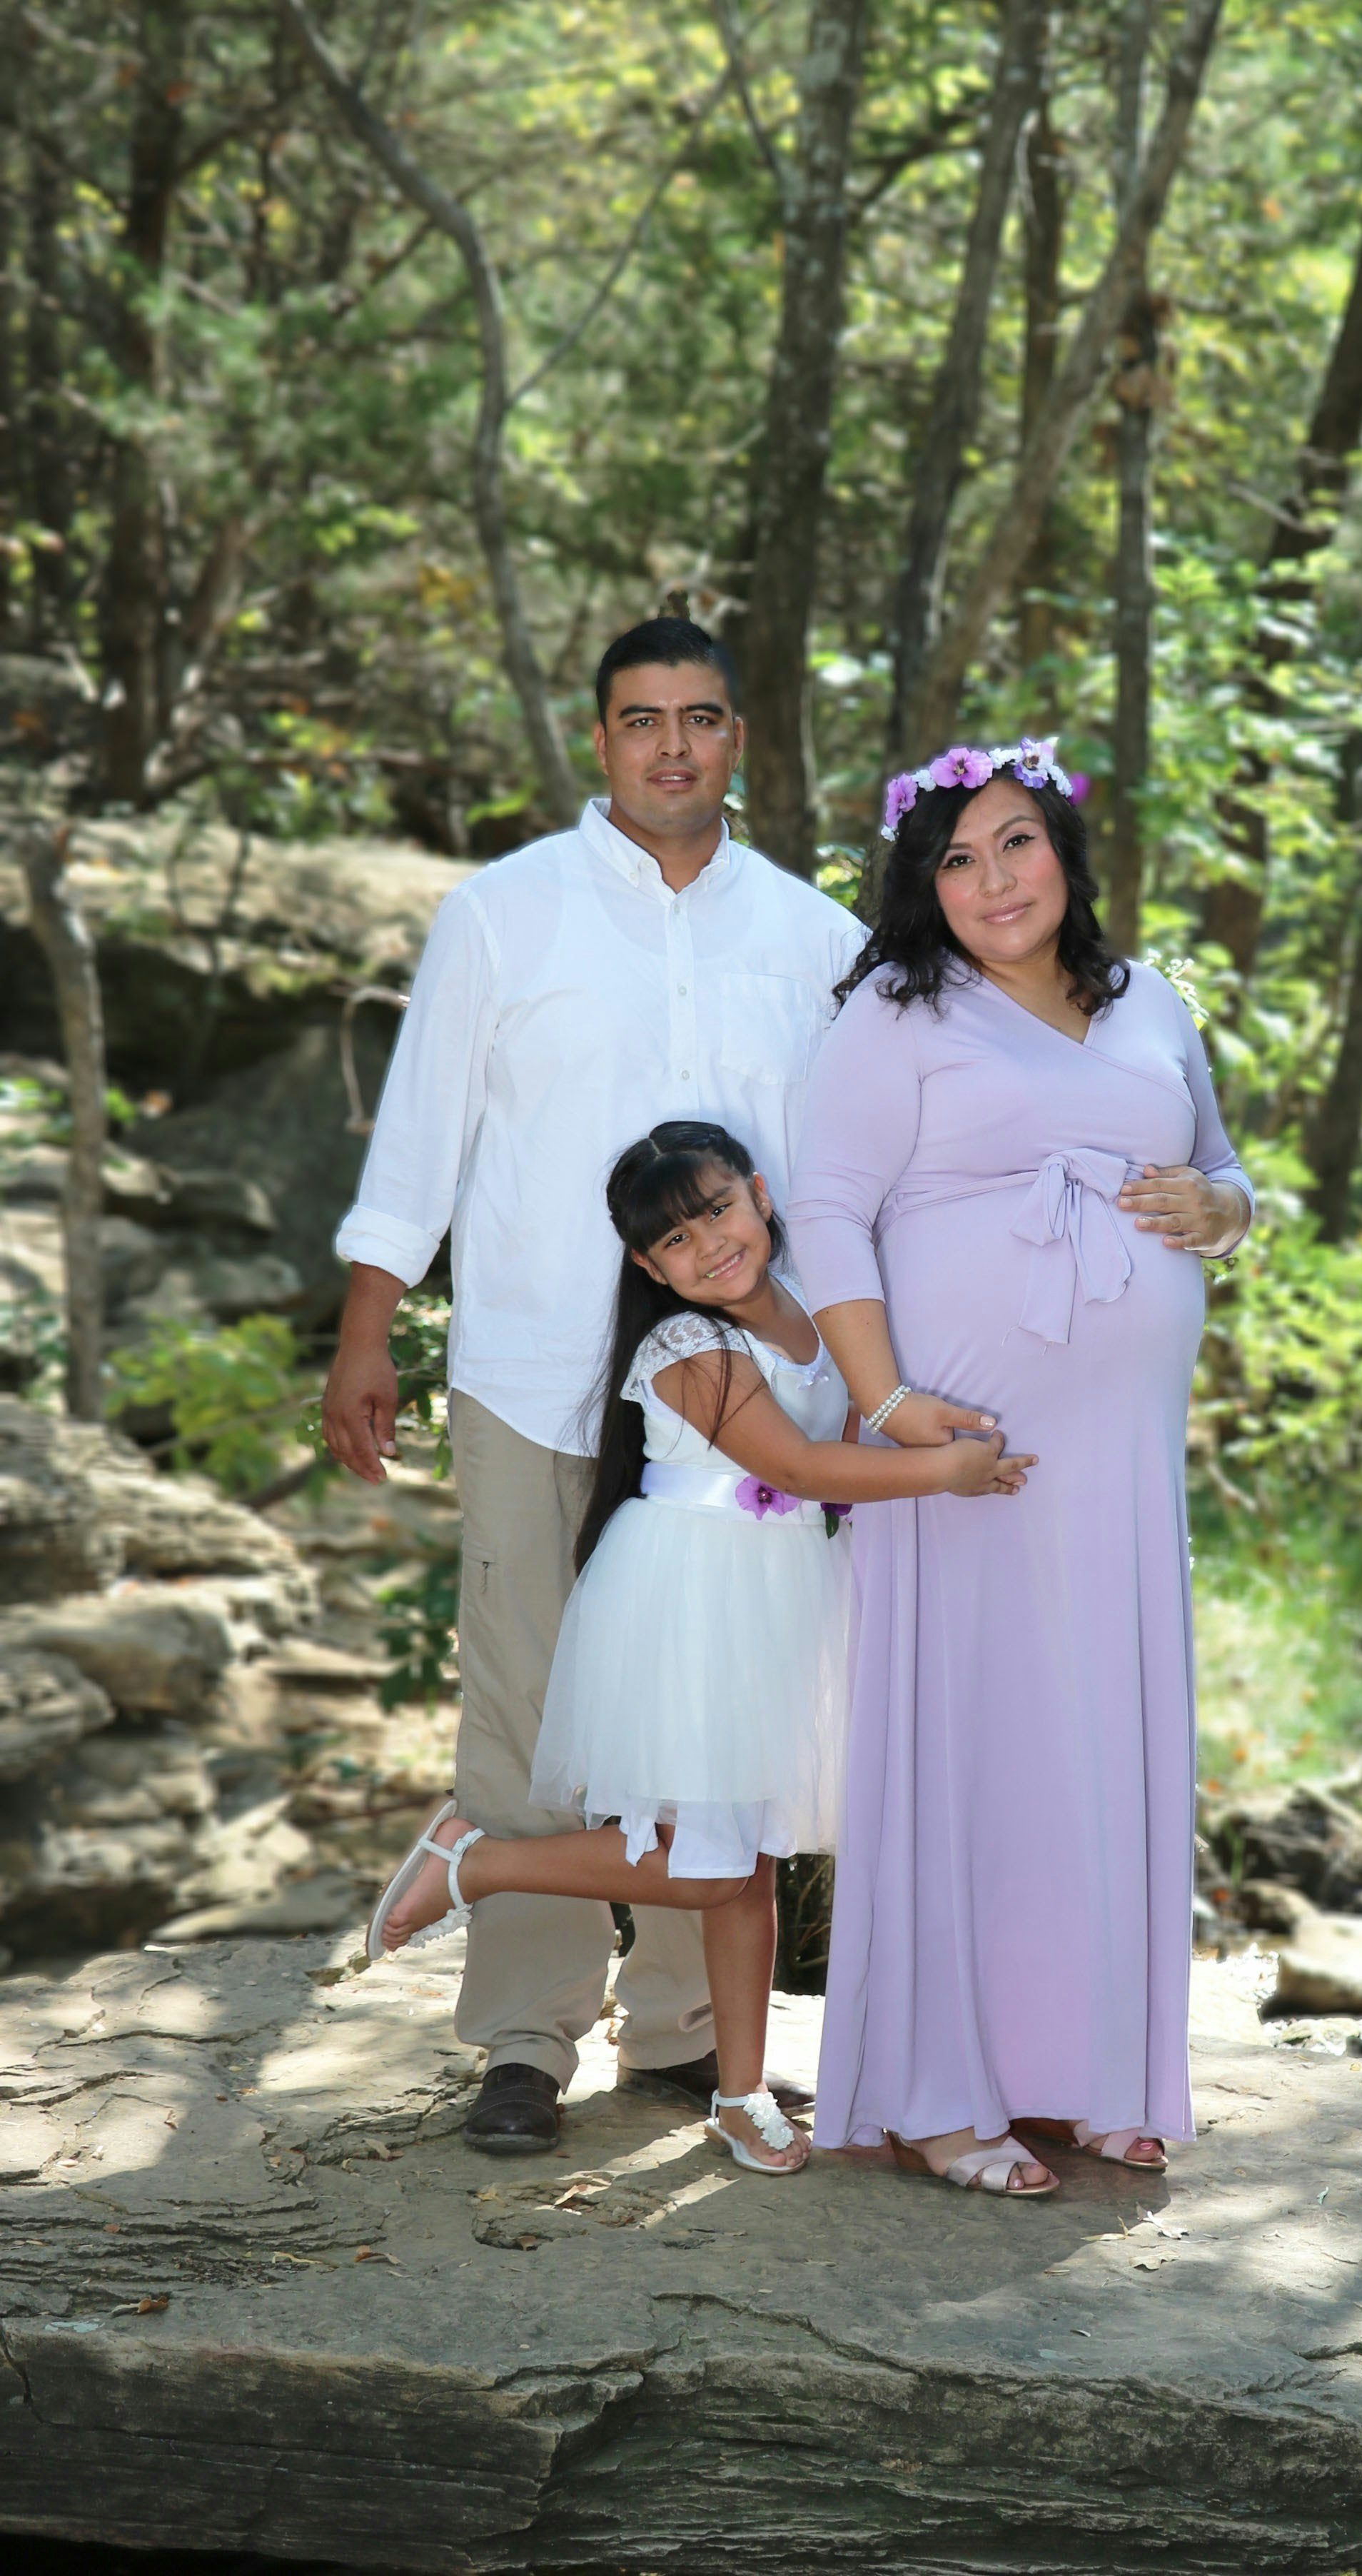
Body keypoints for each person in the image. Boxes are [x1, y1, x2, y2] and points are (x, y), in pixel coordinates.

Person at [321, 615, 906, 2155]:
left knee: (715, 1701)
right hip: (533, 1360)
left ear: (737, 740)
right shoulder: (503, 914)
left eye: (700, 718)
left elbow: (853, 1169)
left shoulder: (808, 935)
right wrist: (369, 1323)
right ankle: (524, 2037)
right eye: (640, 719)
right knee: (528, 1699)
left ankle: (688, 2038)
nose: (670, 746)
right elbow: (423, 1135)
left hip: (737, 1402)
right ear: (600, 740)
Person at [367, 1119, 1031, 2175]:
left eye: (718, 1209)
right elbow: (803, 1466)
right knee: (714, 1865)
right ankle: (481, 1860)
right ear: (646, 1266)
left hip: (782, 1599)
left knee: (751, 1855)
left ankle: (738, 2091)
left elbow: (867, 1415)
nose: (708, 1245)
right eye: (673, 1241)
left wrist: (927, 1432)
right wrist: (942, 1474)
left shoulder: (817, 1303)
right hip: (692, 1600)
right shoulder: (686, 1347)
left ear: (761, 1195)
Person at [787, 738, 1253, 2196]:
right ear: (927, 886)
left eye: (1017, 844)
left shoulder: (1150, 998)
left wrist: (1220, 1209)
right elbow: (828, 1210)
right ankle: (939, 2091)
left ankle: (1094, 2069)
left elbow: (1235, 1183)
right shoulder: (895, 1009)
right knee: (970, 1738)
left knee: (1095, 1734)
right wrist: (887, 1401)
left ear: (1066, 851)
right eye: (959, 858)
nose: (993, 879)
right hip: (962, 1439)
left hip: (1122, 1456)